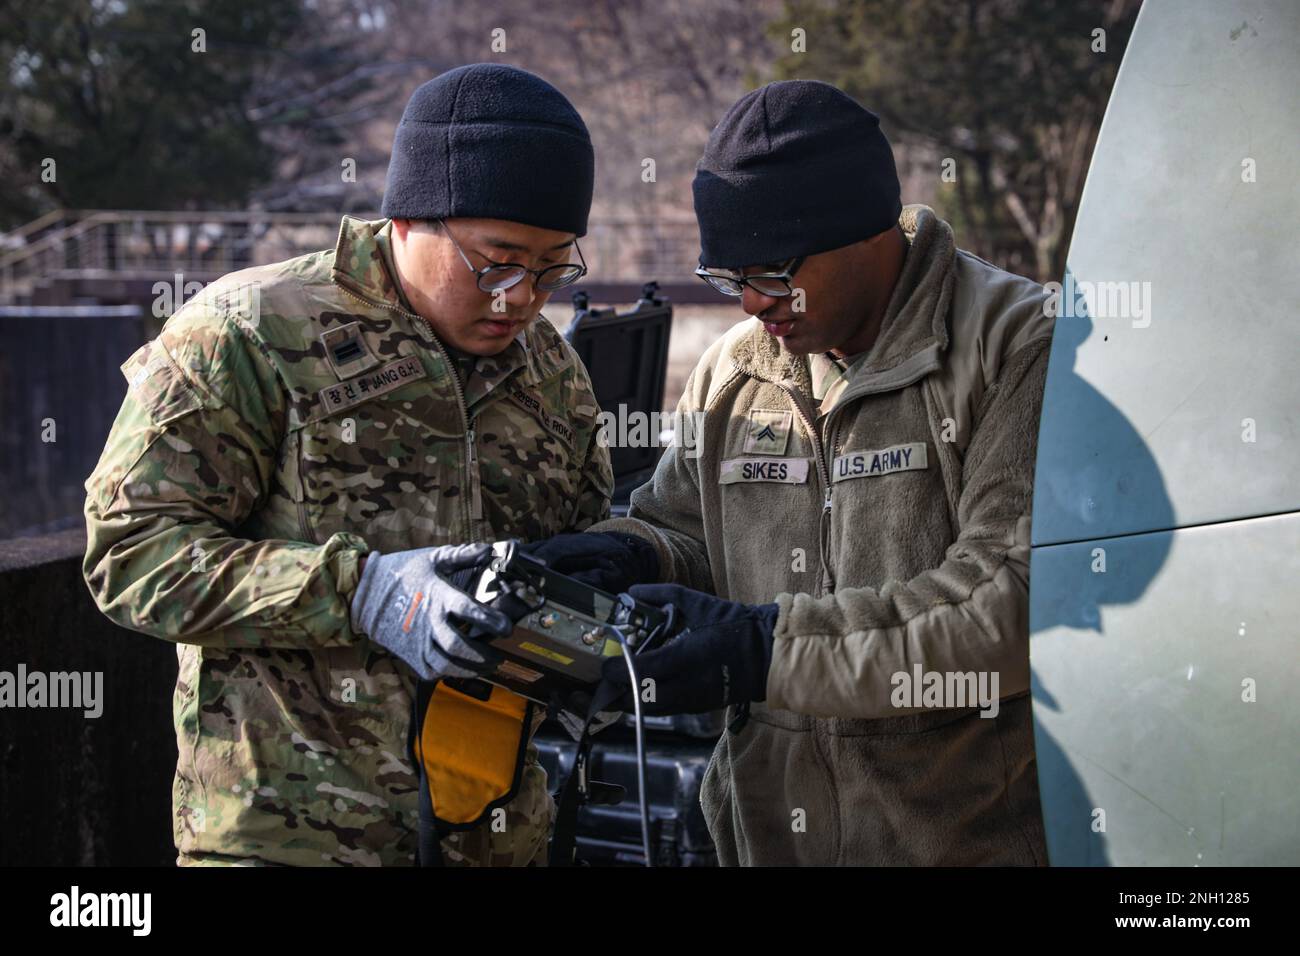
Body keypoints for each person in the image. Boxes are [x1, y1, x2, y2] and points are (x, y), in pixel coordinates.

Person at [82, 63, 613, 866]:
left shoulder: (549, 372)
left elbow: (578, 554)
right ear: (407, 220)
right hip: (284, 838)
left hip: (495, 832)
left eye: (551, 267)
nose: (521, 298)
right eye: (496, 261)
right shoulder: (250, 332)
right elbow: (128, 553)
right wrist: (359, 594)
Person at [531, 80, 1053, 865]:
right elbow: (686, 527)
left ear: (863, 231)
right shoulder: (736, 371)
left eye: (771, 272)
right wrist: (637, 552)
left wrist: (763, 650)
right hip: (764, 838)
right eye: (727, 275)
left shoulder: (1014, 345)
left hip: (953, 839)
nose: (750, 302)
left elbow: (1008, 610)